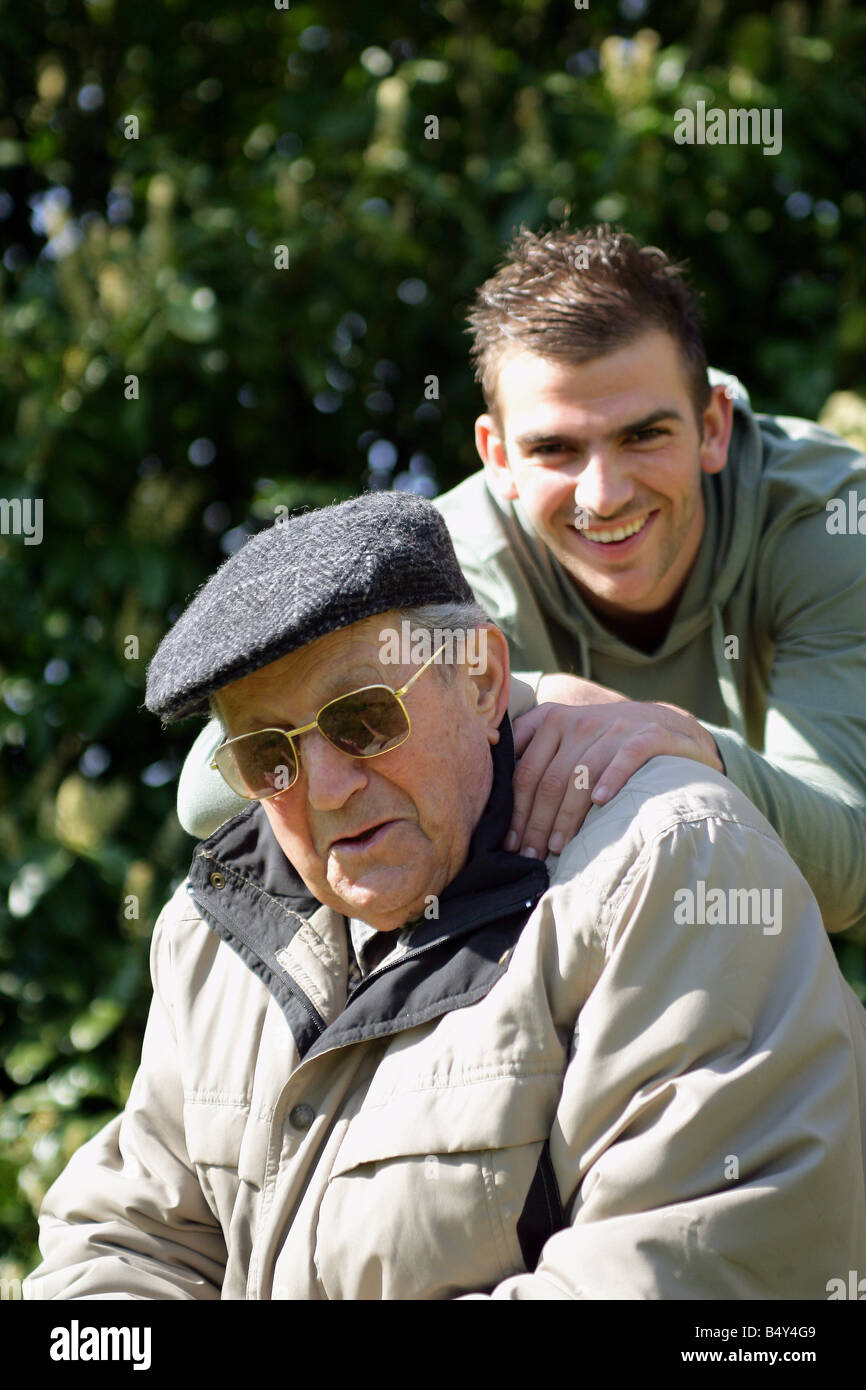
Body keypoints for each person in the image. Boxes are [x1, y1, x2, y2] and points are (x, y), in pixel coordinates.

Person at [24, 493, 866, 1300]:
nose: (325, 788)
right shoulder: (213, 935)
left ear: (484, 681)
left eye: (361, 718)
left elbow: (692, 1274)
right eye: (267, 755)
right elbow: (123, 1238)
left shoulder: (669, 869)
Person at [174, 226, 866, 941]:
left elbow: (852, 875)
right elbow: (204, 793)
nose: (603, 496)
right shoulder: (454, 553)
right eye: (555, 449)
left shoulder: (830, 518)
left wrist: (686, 744)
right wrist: (545, 697)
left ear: (713, 425)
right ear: (497, 458)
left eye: (644, 436)